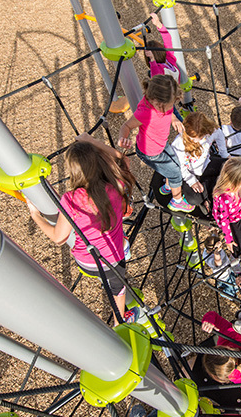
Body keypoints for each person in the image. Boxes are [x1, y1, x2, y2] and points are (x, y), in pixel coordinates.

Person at [26, 137, 136, 321]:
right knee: (119, 287)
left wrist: (35, 215)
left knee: (102, 246)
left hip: (87, 262)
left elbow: (59, 237)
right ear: (98, 161)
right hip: (114, 259)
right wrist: (91, 140)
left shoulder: (71, 199)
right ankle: (119, 321)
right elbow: (124, 160)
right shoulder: (116, 184)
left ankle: (117, 307)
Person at [118, 75, 194, 212]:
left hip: (161, 144)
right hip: (151, 153)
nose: (171, 108)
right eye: (169, 106)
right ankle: (176, 201)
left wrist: (175, 119)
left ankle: (168, 186)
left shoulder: (160, 102)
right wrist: (123, 138)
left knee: (175, 161)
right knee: (176, 173)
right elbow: (126, 126)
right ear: (158, 104)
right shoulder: (145, 112)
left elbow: (169, 111)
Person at [200, 311, 241, 414]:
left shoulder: (238, 376)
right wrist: (208, 321)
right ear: (219, 347)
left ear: (222, 378)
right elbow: (213, 315)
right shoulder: (227, 334)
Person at [171, 112, 229, 207]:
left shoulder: (210, 131)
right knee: (193, 199)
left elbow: (219, 134)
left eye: (198, 138)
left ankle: (210, 189)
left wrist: (224, 154)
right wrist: (192, 181)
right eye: (191, 137)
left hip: (206, 165)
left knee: (229, 166)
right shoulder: (179, 143)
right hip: (190, 172)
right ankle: (213, 188)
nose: (194, 141)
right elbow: (180, 166)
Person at [144, 13, 180, 81]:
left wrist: (159, 24)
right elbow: (155, 75)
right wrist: (152, 59)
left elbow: (167, 39)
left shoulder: (169, 59)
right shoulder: (159, 70)